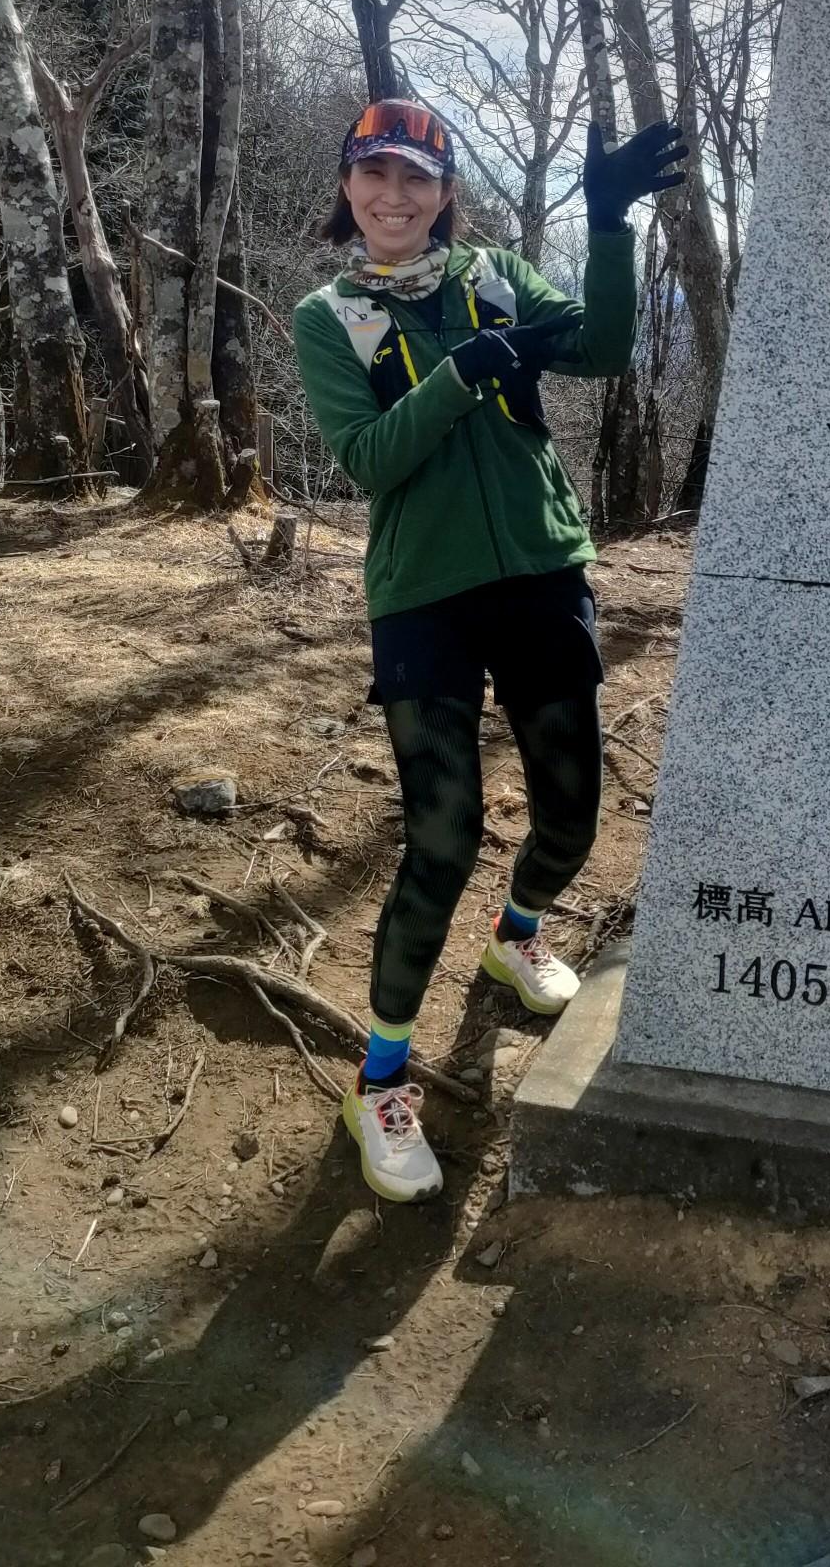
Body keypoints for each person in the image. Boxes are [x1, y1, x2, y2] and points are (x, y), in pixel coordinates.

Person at [292, 97, 687, 1202]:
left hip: (543, 575)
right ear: (347, 185)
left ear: (447, 192)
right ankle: (377, 1082)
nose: (394, 196)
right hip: (424, 599)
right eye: (374, 174)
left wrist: (608, 222)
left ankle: (516, 938)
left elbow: (605, 347)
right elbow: (372, 458)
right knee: (443, 836)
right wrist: (467, 370)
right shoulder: (331, 315)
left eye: (417, 177)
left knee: (572, 808)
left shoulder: (500, 276)